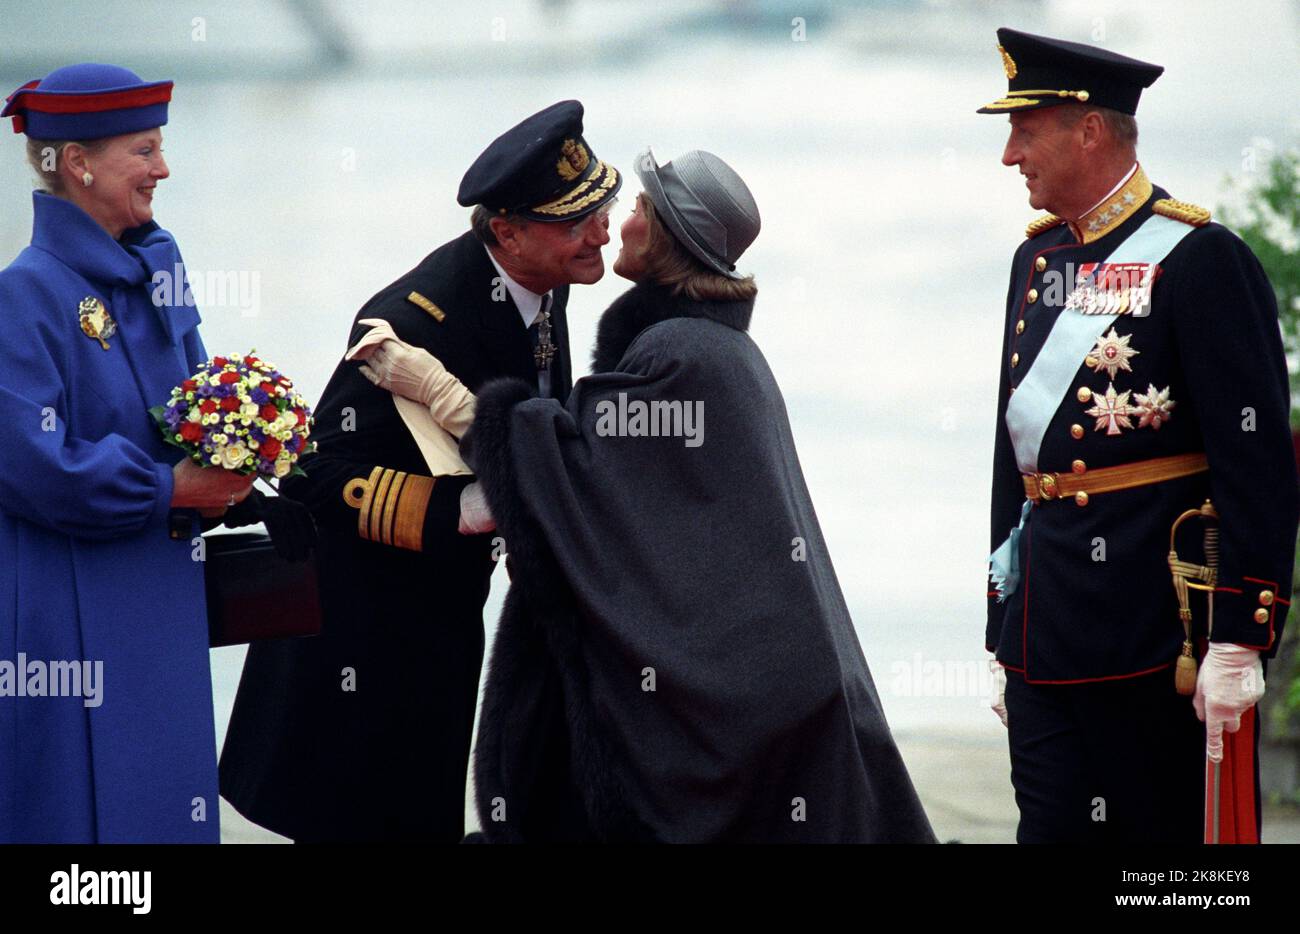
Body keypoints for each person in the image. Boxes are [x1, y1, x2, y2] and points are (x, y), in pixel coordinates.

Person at [367, 148, 937, 842]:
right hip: (779, 691)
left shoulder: (679, 354)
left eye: (638, 209)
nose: (618, 223)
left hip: (739, 713)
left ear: (665, 236)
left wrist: (449, 399)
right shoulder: (709, 349)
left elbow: (578, 476)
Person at [218, 100, 622, 842]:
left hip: (440, 614)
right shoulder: (409, 323)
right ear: (507, 232)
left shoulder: (548, 280)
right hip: (355, 626)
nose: (602, 233)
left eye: (604, 208)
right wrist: (454, 512)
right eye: (577, 222)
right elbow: (310, 469)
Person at [978, 28, 1298, 843]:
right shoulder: (1037, 260)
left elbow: (1255, 462)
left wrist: (1240, 639)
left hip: (1156, 636)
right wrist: (999, 623)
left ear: (1088, 128)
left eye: (1025, 128)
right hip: (1041, 630)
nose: (1010, 154)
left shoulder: (1201, 259)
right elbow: (1015, 458)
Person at [0, 63, 257, 842]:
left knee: (164, 800)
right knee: (81, 817)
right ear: (78, 163)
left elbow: (197, 405)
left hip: (161, 589)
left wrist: (247, 449)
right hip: (72, 607)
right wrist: (165, 489)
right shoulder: (25, 293)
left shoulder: (155, 274)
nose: (163, 169)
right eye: (144, 151)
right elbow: (28, 463)